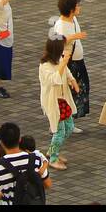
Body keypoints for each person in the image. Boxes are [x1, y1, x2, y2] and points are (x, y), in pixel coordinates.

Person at [38, 36, 79, 171]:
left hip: (63, 100)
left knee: (69, 127)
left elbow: (66, 71)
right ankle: (53, 158)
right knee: (59, 131)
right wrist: (63, 62)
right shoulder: (45, 66)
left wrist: (72, 80)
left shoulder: (59, 60)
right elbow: (55, 79)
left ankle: (52, 150)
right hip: (53, 102)